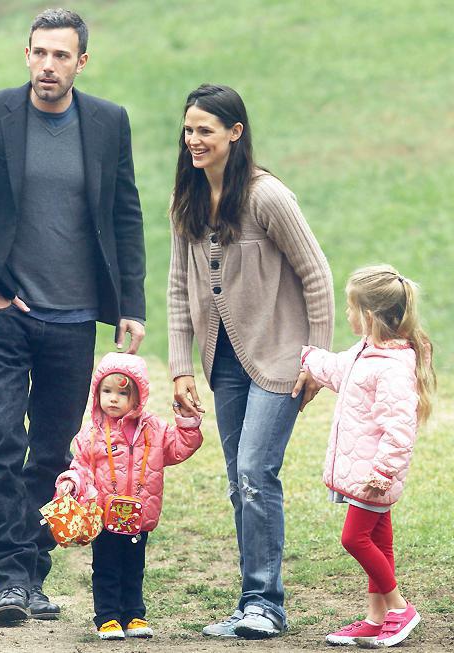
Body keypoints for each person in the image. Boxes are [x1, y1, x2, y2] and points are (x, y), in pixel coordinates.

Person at [0, 9, 145, 625]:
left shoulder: (108, 122)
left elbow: (124, 215)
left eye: (61, 56)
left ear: (82, 62)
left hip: (74, 318)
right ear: (26, 55)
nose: (48, 66)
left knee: (54, 452)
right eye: (39, 53)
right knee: (0, 441)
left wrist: (129, 302)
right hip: (4, 316)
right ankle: (11, 577)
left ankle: (32, 572)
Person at [167, 84, 335, 639]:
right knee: (240, 484)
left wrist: (316, 357)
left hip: (280, 358)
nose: (194, 140)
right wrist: (180, 365)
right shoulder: (188, 198)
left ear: (235, 133)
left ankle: (266, 603)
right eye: (188, 130)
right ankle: (250, 604)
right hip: (224, 364)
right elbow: (177, 286)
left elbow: (317, 276)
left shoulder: (268, 197)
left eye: (205, 131)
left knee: (255, 473)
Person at [301, 264, 435, 647]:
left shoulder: (392, 367)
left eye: (350, 307)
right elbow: (337, 368)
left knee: (354, 538)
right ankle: (375, 619)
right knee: (380, 541)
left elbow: (399, 430)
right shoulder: (367, 352)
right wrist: (306, 357)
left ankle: (398, 607)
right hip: (368, 471)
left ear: (369, 315)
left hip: (374, 475)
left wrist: (383, 472)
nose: (346, 314)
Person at [55, 352, 203, 640]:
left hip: (139, 515)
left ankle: (135, 614)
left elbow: (181, 447)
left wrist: (187, 420)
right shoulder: (91, 434)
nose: (113, 399)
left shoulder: (155, 430)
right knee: (106, 568)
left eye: (122, 393)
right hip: (105, 516)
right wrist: (71, 482)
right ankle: (108, 617)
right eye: (106, 391)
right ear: (96, 392)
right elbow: (80, 466)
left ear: (139, 397)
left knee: (134, 568)